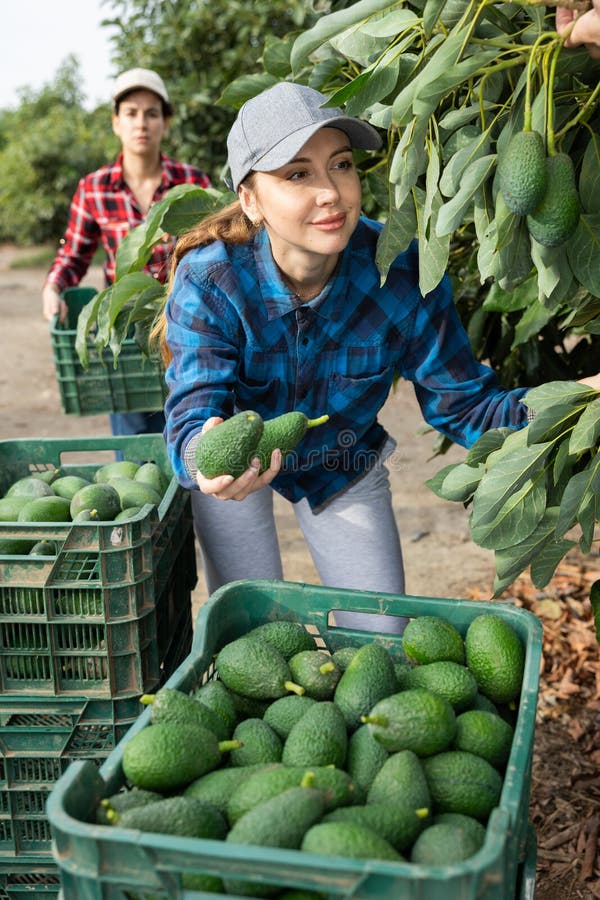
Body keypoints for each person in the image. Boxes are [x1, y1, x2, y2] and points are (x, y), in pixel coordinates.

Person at [154, 81, 600, 614]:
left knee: (379, 638)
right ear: (250, 200)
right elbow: (191, 418)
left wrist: (580, 401)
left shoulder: (402, 273)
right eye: (298, 174)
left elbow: (468, 407)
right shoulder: (211, 279)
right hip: (239, 463)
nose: (331, 193)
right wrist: (203, 461)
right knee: (250, 630)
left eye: (340, 165)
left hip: (342, 459)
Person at [42, 67, 211, 437]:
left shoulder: (192, 183)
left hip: (186, 332)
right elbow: (73, 255)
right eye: (131, 113)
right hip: (127, 341)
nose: (141, 123)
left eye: (152, 113)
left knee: (195, 436)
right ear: (116, 122)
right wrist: (53, 288)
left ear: (165, 123)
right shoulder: (94, 188)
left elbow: (215, 254)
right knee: (135, 454)